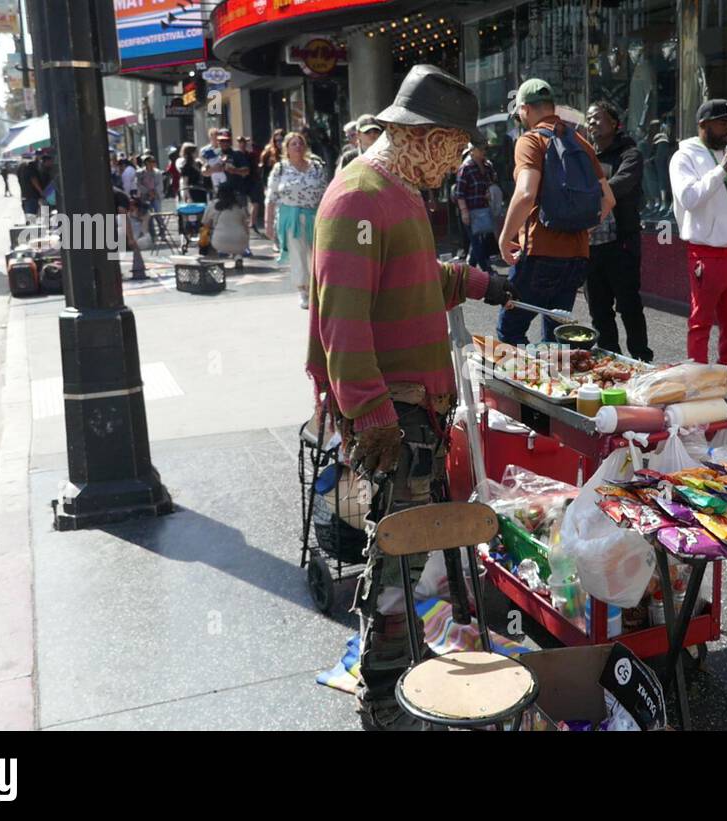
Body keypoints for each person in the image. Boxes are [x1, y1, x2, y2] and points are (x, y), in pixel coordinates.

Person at [305, 64, 516, 731]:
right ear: (423, 137)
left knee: (408, 553)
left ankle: (401, 674)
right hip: (395, 415)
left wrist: (488, 284)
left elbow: (419, 279)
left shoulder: (393, 194)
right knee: (396, 559)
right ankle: (385, 698)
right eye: (454, 149)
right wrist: (370, 414)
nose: (457, 164)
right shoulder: (359, 196)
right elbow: (342, 316)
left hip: (412, 409)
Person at [496, 78, 614, 344]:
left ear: (525, 109)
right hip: (578, 256)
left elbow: (526, 193)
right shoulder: (582, 143)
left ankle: (527, 383)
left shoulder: (531, 141)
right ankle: (555, 382)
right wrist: (583, 226)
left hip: (540, 252)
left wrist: (505, 239)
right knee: (557, 337)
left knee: (510, 331)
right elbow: (608, 200)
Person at [669, 99, 727, 409]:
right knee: (701, 322)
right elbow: (690, 197)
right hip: (706, 253)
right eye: (723, 123)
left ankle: (726, 379)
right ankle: (697, 382)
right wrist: (722, 169)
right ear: (704, 125)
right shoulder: (684, 157)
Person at [585, 100, 652, 362]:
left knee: (629, 306)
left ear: (614, 123)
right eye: (589, 118)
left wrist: (588, 194)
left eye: (598, 118)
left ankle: (642, 358)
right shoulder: (586, 155)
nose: (592, 123)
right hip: (591, 245)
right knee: (599, 310)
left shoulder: (630, 153)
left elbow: (621, 184)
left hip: (621, 244)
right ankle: (610, 359)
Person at [265, 131, 329, 308]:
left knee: (316, 254)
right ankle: (303, 290)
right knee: (298, 253)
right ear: (286, 148)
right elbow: (271, 197)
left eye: (300, 143)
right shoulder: (281, 169)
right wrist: (268, 223)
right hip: (291, 217)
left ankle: (318, 289)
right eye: (293, 144)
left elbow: (326, 193)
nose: (298, 147)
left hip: (314, 215)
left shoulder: (316, 167)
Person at [454, 142, 498, 274]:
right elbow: (459, 193)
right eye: (481, 149)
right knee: (476, 241)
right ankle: (487, 270)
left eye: (485, 148)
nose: (484, 151)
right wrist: (464, 212)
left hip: (484, 208)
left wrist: (490, 190)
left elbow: (492, 182)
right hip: (471, 210)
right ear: (472, 151)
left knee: (480, 240)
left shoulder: (487, 166)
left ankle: (469, 270)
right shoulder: (466, 168)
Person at [203, 186, 251, 259]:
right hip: (240, 242)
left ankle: (217, 255)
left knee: (209, 233)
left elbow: (206, 224)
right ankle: (238, 256)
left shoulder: (213, 205)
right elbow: (246, 227)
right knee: (238, 241)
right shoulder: (240, 206)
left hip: (219, 241)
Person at [135, 154, 163, 238]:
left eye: (153, 161)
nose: (152, 163)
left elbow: (160, 184)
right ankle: (152, 234)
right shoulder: (139, 173)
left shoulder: (158, 172)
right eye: (150, 162)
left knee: (158, 214)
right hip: (145, 196)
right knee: (148, 216)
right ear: (146, 163)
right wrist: (148, 192)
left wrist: (154, 192)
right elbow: (138, 184)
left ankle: (162, 233)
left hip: (156, 196)